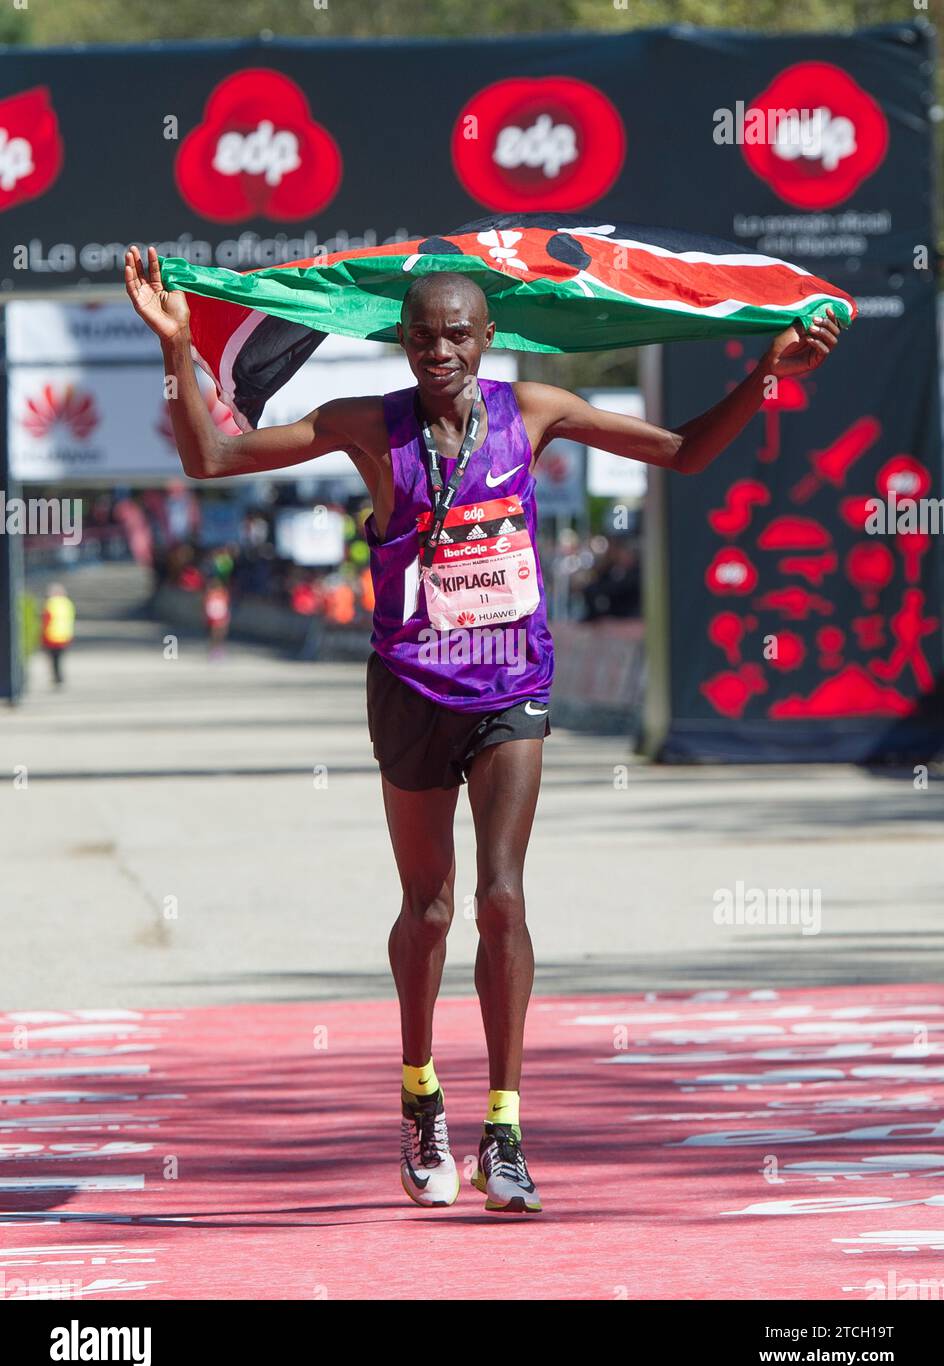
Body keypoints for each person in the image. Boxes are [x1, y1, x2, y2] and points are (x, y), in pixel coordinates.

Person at [125, 243, 842, 1214]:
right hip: (411, 688)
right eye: (421, 336)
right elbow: (209, 458)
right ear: (401, 341)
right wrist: (175, 349)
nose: (439, 351)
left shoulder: (531, 413)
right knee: (427, 908)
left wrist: (762, 376)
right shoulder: (365, 429)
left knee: (501, 899)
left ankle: (503, 1129)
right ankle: (420, 1089)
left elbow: (679, 452)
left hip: (511, 688)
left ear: (487, 338)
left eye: (456, 334)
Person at [41, 582, 75, 687]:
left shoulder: (51, 603)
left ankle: (57, 677)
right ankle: (59, 677)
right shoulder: (68, 603)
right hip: (64, 634)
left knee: (53, 659)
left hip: (52, 635)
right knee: (59, 658)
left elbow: (46, 620)